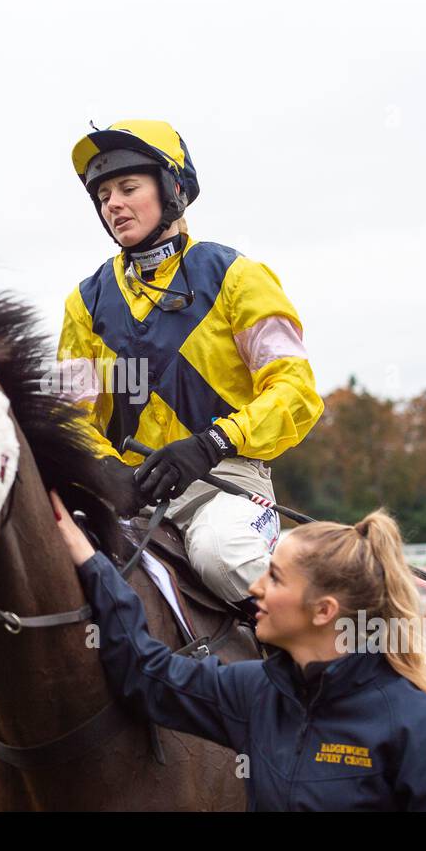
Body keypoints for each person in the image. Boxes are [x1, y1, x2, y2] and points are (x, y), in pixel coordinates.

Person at [50, 489, 426, 811]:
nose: (256, 586)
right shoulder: (256, 693)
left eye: (275, 577)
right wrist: (92, 563)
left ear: (324, 610)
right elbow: (146, 675)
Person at [58, 120, 324, 606]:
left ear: (173, 189)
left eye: (127, 188)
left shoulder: (238, 276)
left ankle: (340, 665)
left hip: (224, 481)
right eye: (102, 196)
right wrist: (104, 465)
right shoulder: (84, 303)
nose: (112, 204)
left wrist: (213, 442)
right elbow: (67, 416)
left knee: (223, 555)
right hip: (128, 493)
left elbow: (295, 391)